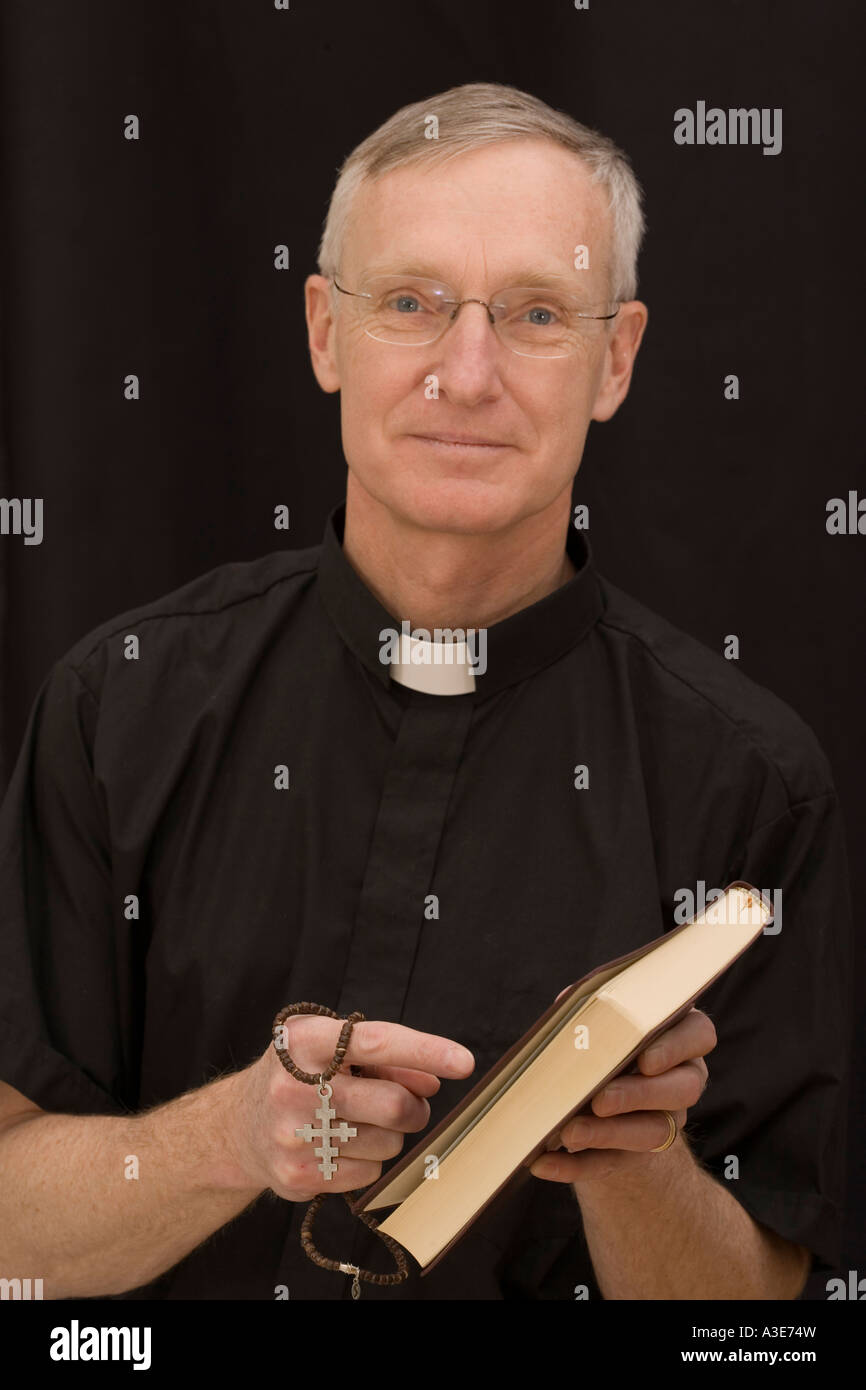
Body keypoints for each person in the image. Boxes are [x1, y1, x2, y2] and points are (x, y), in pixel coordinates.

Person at [0, 82, 851, 1301]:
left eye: (535, 314)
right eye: (409, 302)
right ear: (323, 331)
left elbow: (757, 1324)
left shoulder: (753, 783)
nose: (467, 371)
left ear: (612, 360)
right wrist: (232, 1137)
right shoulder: (116, 707)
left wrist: (628, 1159)